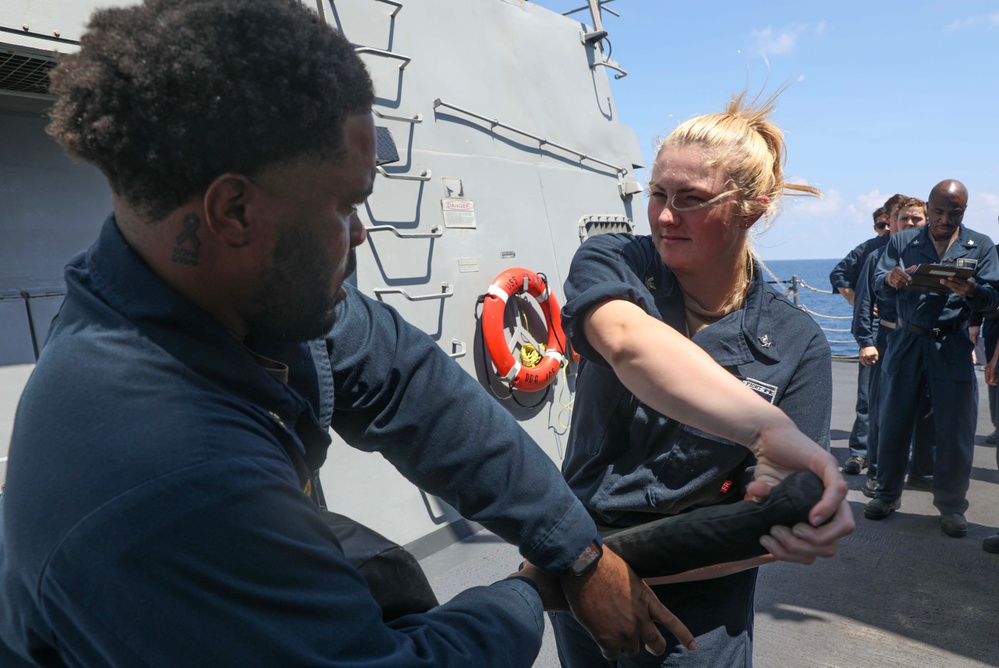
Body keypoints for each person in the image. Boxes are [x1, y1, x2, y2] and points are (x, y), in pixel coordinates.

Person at [0, 1, 703, 664]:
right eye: (345, 205)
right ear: (234, 212)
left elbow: (409, 385)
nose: (361, 233)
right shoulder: (173, 485)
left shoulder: (242, 292)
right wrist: (530, 592)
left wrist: (575, 549)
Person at [549, 92, 855, 667]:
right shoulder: (614, 260)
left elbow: (770, 508)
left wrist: (794, 512)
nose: (665, 217)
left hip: (699, 610)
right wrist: (588, 571)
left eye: (690, 200)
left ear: (751, 209)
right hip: (579, 569)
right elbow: (625, 339)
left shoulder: (797, 345)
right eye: (657, 194)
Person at [867, 180, 999, 538]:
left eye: (953, 213)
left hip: (952, 344)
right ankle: (886, 494)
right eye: (938, 211)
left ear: (964, 211)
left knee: (956, 428)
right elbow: (877, 282)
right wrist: (892, 280)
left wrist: (973, 290)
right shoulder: (902, 241)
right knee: (893, 420)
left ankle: (953, 506)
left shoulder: (981, 245)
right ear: (929, 207)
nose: (944, 219)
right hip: (907, 339)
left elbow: (993, 299)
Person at [852, 197, 935, 498]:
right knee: (882, 412)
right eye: (905, 219)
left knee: (926, 409)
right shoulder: (877, 257)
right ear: (894, 222)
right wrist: (864, 341)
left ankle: (923, 472)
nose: (910, 224)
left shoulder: (935, 255)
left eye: (917, 219)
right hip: (887, 340)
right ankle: (876, 472)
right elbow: (863, 302)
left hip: (924, 341)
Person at [829, 195, 903, 476]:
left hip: (909, 329)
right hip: (877, 326)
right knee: (868, 394)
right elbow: (839, 274)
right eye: (885, 222)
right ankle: (860, 452)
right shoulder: (872, 249)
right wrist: (858, 301)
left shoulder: (921, 249)